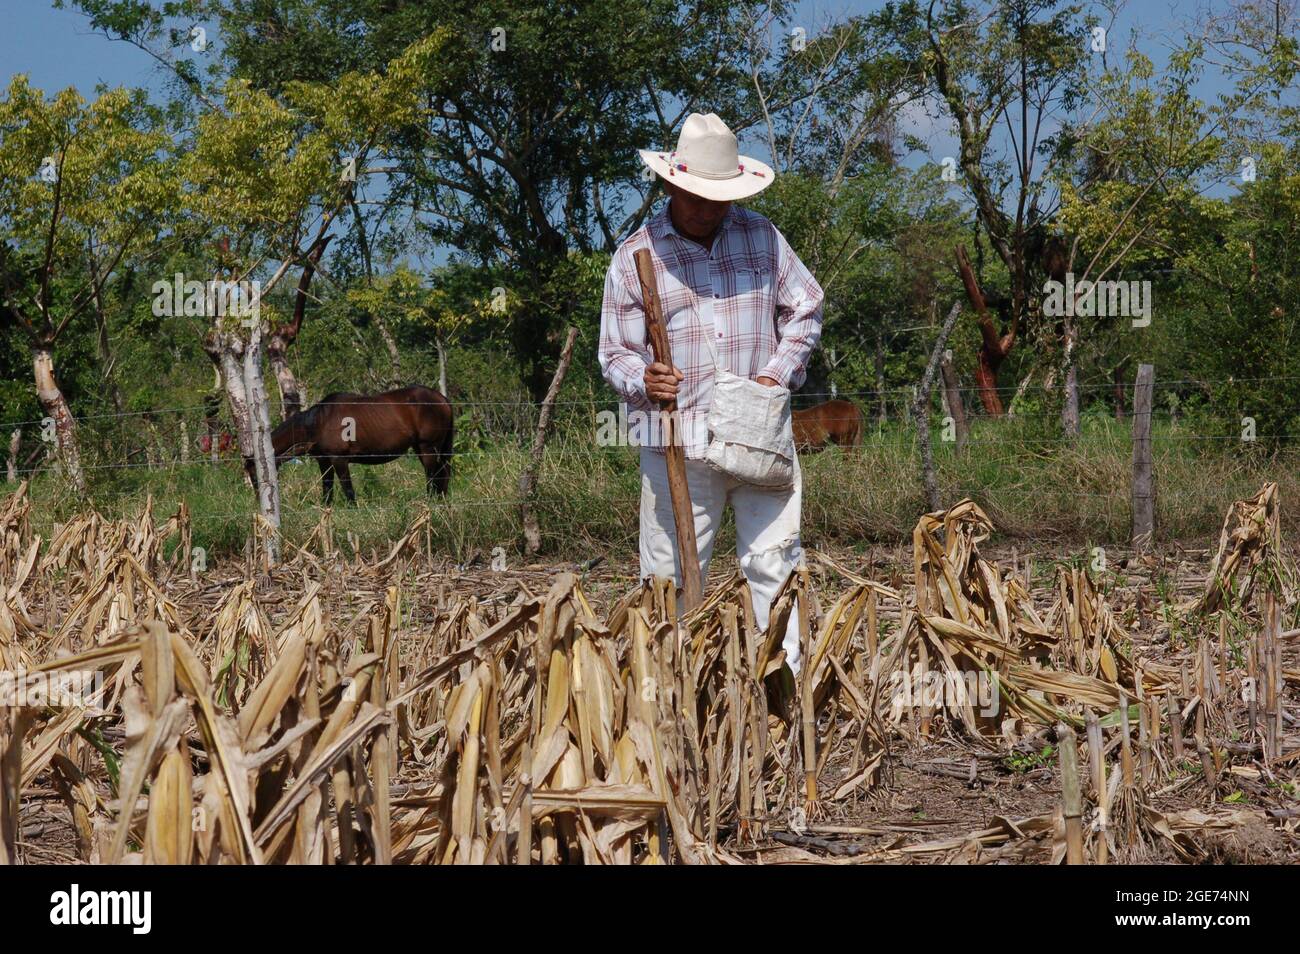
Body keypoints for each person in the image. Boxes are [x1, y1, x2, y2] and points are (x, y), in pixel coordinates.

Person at [598, 112, 823, 672]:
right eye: (694, 194)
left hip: (759, 436)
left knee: (775, 564)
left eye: (716, 197)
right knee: (668, 574)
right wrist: (643, 379)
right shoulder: (635, 256)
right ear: (671, 184)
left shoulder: (762, 237)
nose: (704, 207)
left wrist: (774, 375)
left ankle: (783, 690)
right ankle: (672, 692)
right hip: (676, 438)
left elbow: (806, 307)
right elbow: (615, 353)